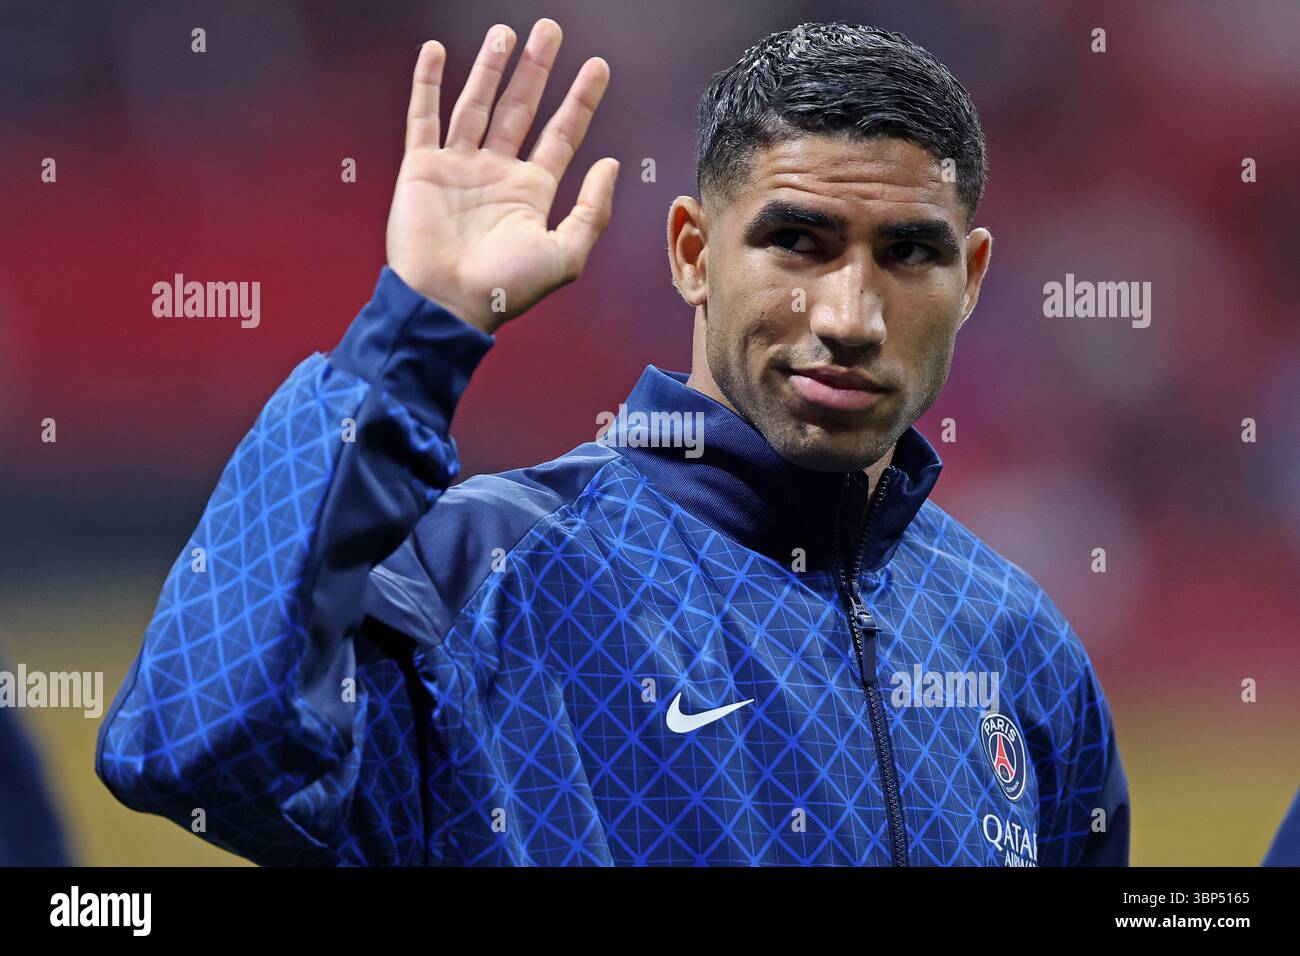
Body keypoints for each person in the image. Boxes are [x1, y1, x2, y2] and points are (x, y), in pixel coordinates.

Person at [97, 18, 1128, 866]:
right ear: (691, 251)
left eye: (908, 254)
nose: (851, 313)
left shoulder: (1017, 642)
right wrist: (416, 328)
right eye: (796, 242)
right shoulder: (479, 574)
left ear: (972, 278)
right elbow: (191, 745)